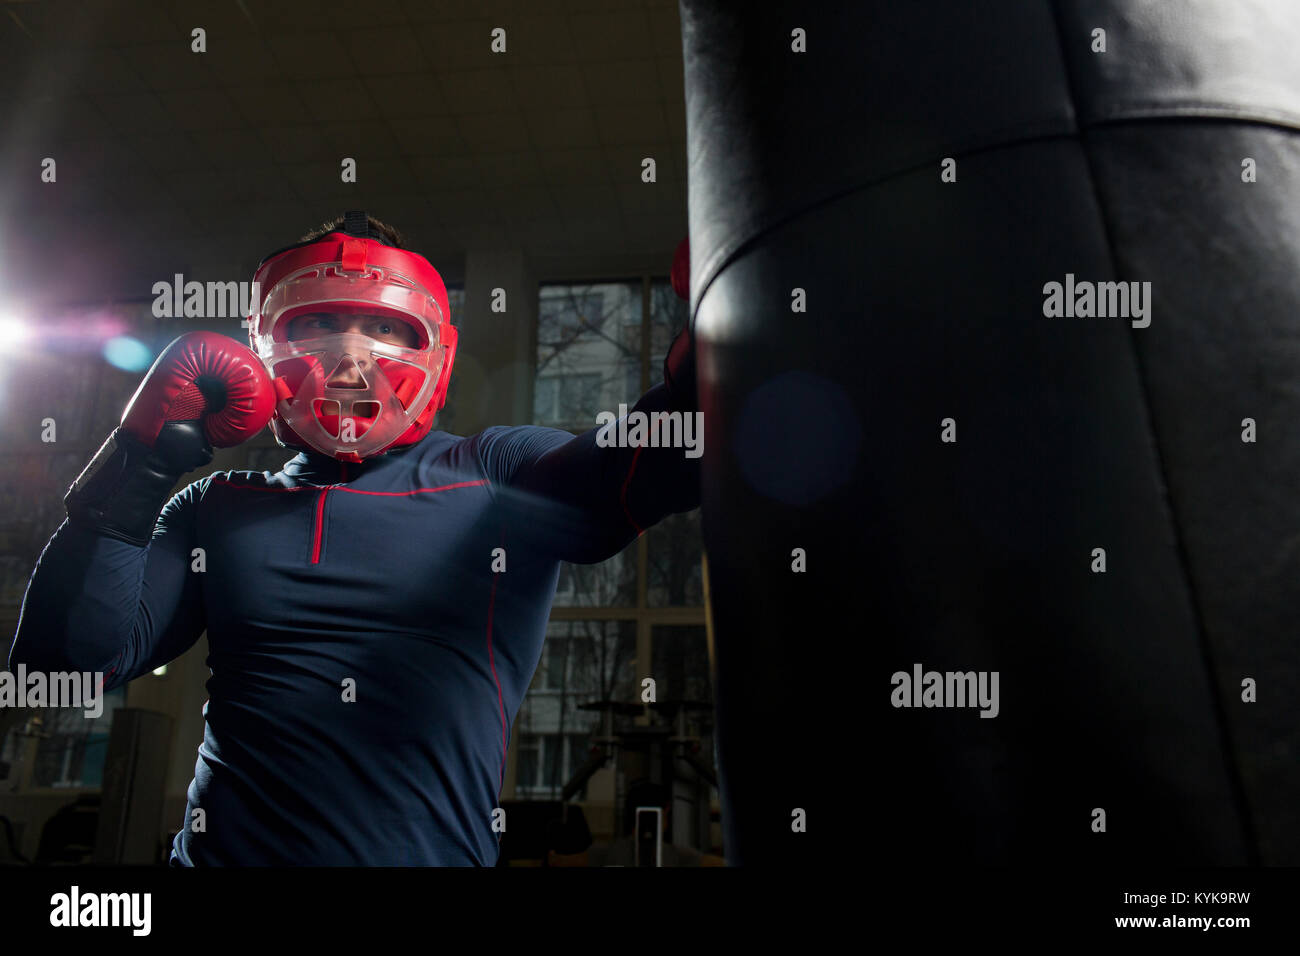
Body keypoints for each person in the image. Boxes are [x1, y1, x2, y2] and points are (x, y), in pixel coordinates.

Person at [8, 212, 700, 866]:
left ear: (437, 349)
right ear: (260, 348)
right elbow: (57, 674)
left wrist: (715, 359)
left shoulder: (495, 473)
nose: (348, 359)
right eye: (318, 323)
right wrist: (139, 460)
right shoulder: (213, 507)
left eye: (384, 328)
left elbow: (632, 471)